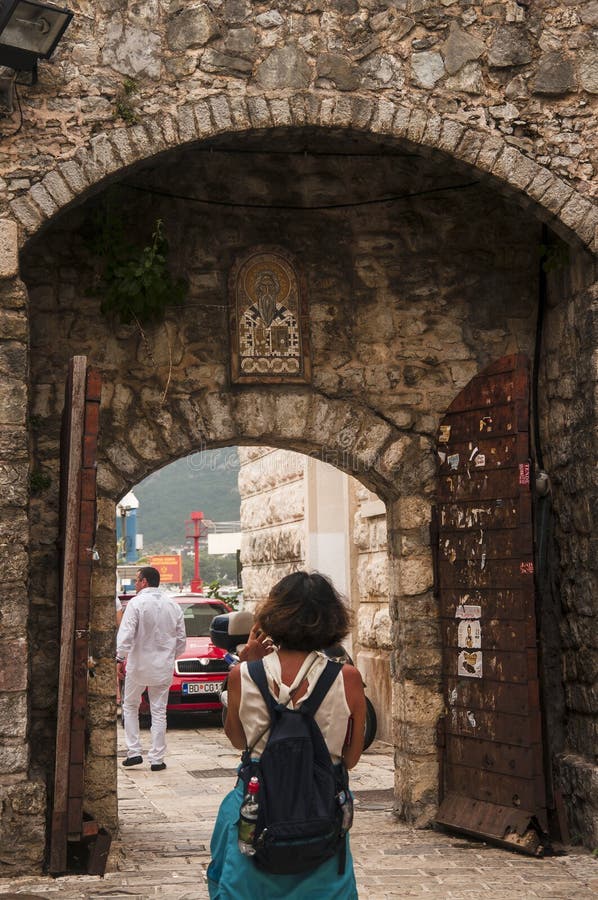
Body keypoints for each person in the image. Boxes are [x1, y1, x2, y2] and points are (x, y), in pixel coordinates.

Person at [208, 571, 366, 899]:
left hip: (257, 809)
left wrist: (246, 664)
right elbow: (350, 758)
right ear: (331, 618)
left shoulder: (243, 674)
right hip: (321, 812)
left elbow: (238, 741)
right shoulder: (348, 678)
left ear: (273, 615)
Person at [116, 566, 186, 771]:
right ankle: (156, 759)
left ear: (144, 582)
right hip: (163, 667)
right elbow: (181, 640)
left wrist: (120, 658)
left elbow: (126, 634)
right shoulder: (173, 605)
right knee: (159, 711)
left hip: (138, 665)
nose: (136, 584)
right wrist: (170, 656)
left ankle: (134, 751)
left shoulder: (136, 603)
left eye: (137, 580)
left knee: (130, 706)